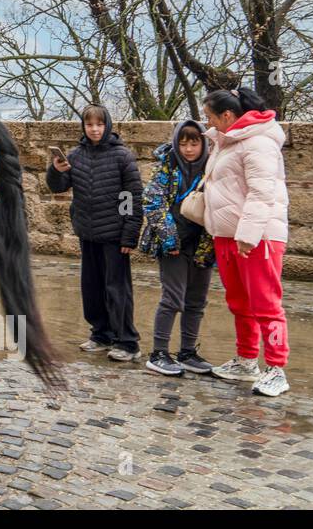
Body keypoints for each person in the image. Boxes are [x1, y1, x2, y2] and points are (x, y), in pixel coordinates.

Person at [201, 87, 291, 397]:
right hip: (227, 235)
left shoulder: (259, 143)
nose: (208, 123)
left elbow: (261, 192)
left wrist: (248, 235)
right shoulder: (227, 142)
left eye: (210, 117)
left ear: (227, 116)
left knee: (266, 304)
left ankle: (277, 368)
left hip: (257, 237)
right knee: (239, 302)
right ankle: (246, 359)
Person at [46, 104, 144, 362]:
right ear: (84, 127)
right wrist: (56, 169)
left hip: (114, 234)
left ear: (107, 125)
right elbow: (58, 187)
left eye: (99, 124)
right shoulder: (75, 155)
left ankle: (128, 341)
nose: (95, 129)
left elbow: (130, 197)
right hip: (87, 232)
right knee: (92, 287)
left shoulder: (122, 156)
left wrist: (129, 234)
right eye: (90, 125)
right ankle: (101, 334)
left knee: (117, 289)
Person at [139, 121, 215, 376]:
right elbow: (152, 202)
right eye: (183, 144)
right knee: (172, 298)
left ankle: (187, 352)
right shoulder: (167, 164)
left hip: (203, 241)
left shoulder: (212, 166)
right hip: (173, 241)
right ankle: (159, 352)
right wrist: (169, 239)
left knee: (196, 300)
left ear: (203, 143)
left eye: (194, 143)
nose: (189, 149)